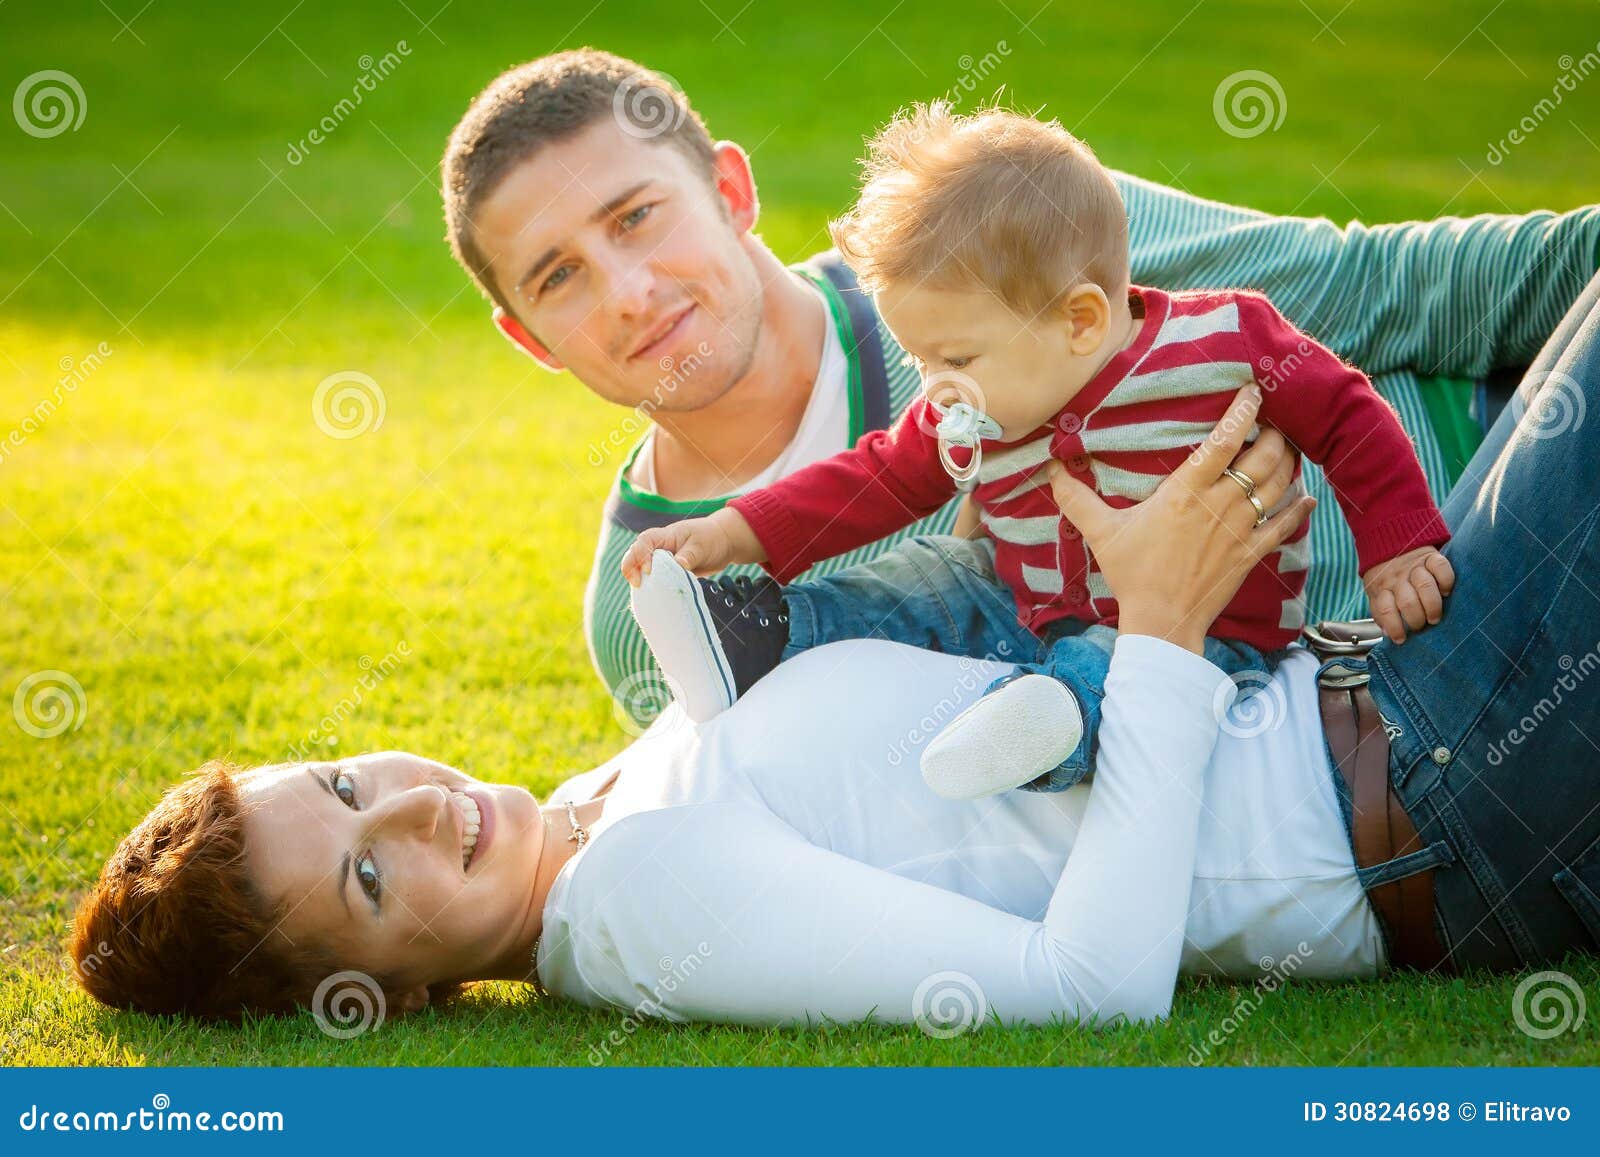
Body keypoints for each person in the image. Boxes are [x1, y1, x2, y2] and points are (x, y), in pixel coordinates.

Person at [69, 271, 1600, 1025]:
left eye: (343, 781)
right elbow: (1090, 986)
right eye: (364, 877)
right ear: (375, 996)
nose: (411, 809)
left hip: (1398, 702)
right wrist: (1163, 628)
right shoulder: (635, 907)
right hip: (1428, 797)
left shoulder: (621, 790)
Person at [439, 49, 1600, 726]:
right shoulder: (648, 614)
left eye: (637, 215)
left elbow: (1402, 287)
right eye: (561, 277)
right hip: (1393, 734)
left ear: (730, 191)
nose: (631, 291)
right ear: (526, 336)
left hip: (1508, 474)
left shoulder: (994, 236)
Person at [618, 102, 1453, 801]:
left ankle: (1043, 731)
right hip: (1018, 604)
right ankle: (765, 635)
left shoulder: (1226, 338)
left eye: (956, 358)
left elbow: (1347, 415)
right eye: (918, 358)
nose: (934, 386)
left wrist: (1397, 542)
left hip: (1202, 632)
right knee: (928, 575)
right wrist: (736, 533)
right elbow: (874, 480)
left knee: (1102, 665)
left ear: (1081, 320)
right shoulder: (971, 411)